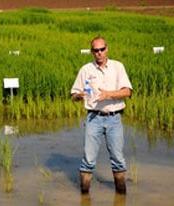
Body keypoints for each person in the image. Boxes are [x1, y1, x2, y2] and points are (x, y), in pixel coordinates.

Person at [71, 36, 132, 195]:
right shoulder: (86, 70)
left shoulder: (118, 67)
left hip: (114, 118)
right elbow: (74, 95)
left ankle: (121, 195)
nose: (99, 53)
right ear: (92, 52)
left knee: (118, 159)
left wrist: (109, 95)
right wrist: (79, 96)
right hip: (93, 119)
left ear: (107, 49)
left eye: (102, 49)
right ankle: (84, 197)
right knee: (88, 160)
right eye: (95, 50)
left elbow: (127, 91)